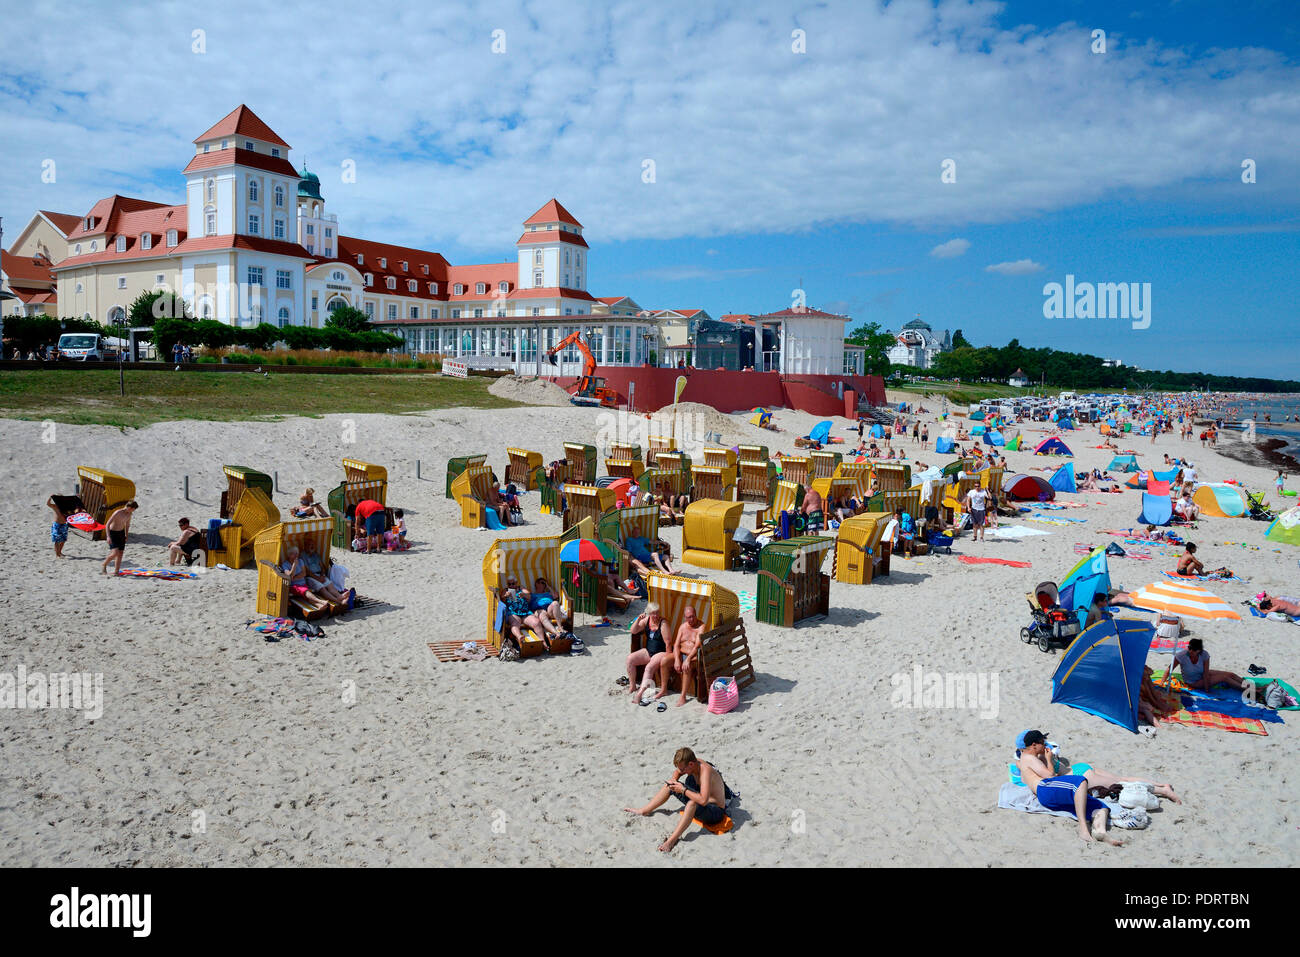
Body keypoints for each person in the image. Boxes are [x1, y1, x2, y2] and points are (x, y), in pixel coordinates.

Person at [624, 747, 734, 853]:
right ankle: (644, 811)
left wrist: (683, 790)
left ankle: (671, 841)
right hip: (701, 799)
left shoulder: (705, 771)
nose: (681, 771)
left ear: (691, 764)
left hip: (716, 811)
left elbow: (703, 800)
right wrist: (674, 781)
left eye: (683, 769)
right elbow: (677, 772)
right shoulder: (693, 763)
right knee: (671, 785)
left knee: (692, 803)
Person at [259, 546, 331, 615]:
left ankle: (319, 605)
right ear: (290, 555)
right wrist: (294, 566)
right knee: (306, 592)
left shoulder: (300, 561)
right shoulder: (285, 564)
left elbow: (304, 573)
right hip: (293, 586)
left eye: (297, 553)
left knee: (306, 594)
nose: (297, 555)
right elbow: (289, 576)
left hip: (302, 583)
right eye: (294, 553)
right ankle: (320, 601)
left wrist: (294, 577)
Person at [626, 604, 673, 701]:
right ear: (649, 614)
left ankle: (640, 693)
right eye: (653, 613)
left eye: (657, 613)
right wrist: (638, 620)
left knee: (649, 668)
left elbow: (668, 643)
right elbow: (633, 631)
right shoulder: (647, 620)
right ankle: (633, 686)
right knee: (630, 659)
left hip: (661, 652)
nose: (656, 615)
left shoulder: (663, 623)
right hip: (648, 650)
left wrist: (668, 660)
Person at [1173, 638, 1243, 691]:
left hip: (1201, 674)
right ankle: (1246, 689)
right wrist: (1207, 690)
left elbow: (1206, 673)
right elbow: (1169, 669)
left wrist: (1206, 689)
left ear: (1199, 650)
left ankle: (1250, 685)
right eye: (1189, 648)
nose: (1190, 651)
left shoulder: (1204, 654)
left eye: (1193, 649)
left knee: (1230, 674)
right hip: (1193, 682)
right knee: (1224, 678)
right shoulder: (1181, 656)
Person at [671, 606, 706, 707]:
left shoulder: (701, 626)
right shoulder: (682, 627)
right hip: (681, 653)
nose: (691, 619)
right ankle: (664, 689)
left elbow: (697, 646)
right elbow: (676, 645)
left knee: (687, 666)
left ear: (696, 615)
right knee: (665, 661)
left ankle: (683, 696)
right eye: (688, 617)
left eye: (693, 616)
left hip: (694, 656)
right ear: (684, 617)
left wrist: (688, 659)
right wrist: (677, 659)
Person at [302, 541, 354, 608]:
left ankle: (340, 596)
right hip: (310, 577)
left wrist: (323, 575)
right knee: (322, 588)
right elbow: (307, 571)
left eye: (313, 545)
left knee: (330, 586)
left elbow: (322, 567)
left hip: (319, 575)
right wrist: (318, 578)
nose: (312, 546)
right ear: (305, 546)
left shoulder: (316, 555)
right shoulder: (303, 555)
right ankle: (339, 601)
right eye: (309, 544)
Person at [101, 500, 139, 576]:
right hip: (113, 533)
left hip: (121, 533)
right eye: (133, 509)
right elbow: (108, 524)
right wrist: (108, 536)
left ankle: (116, 571)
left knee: (120, 553)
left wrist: (126, 535)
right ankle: (104, 564)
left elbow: (127, 525)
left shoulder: (129, 514)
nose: (133, 511)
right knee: (115, 553)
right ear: (129, 507)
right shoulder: (118, 512)